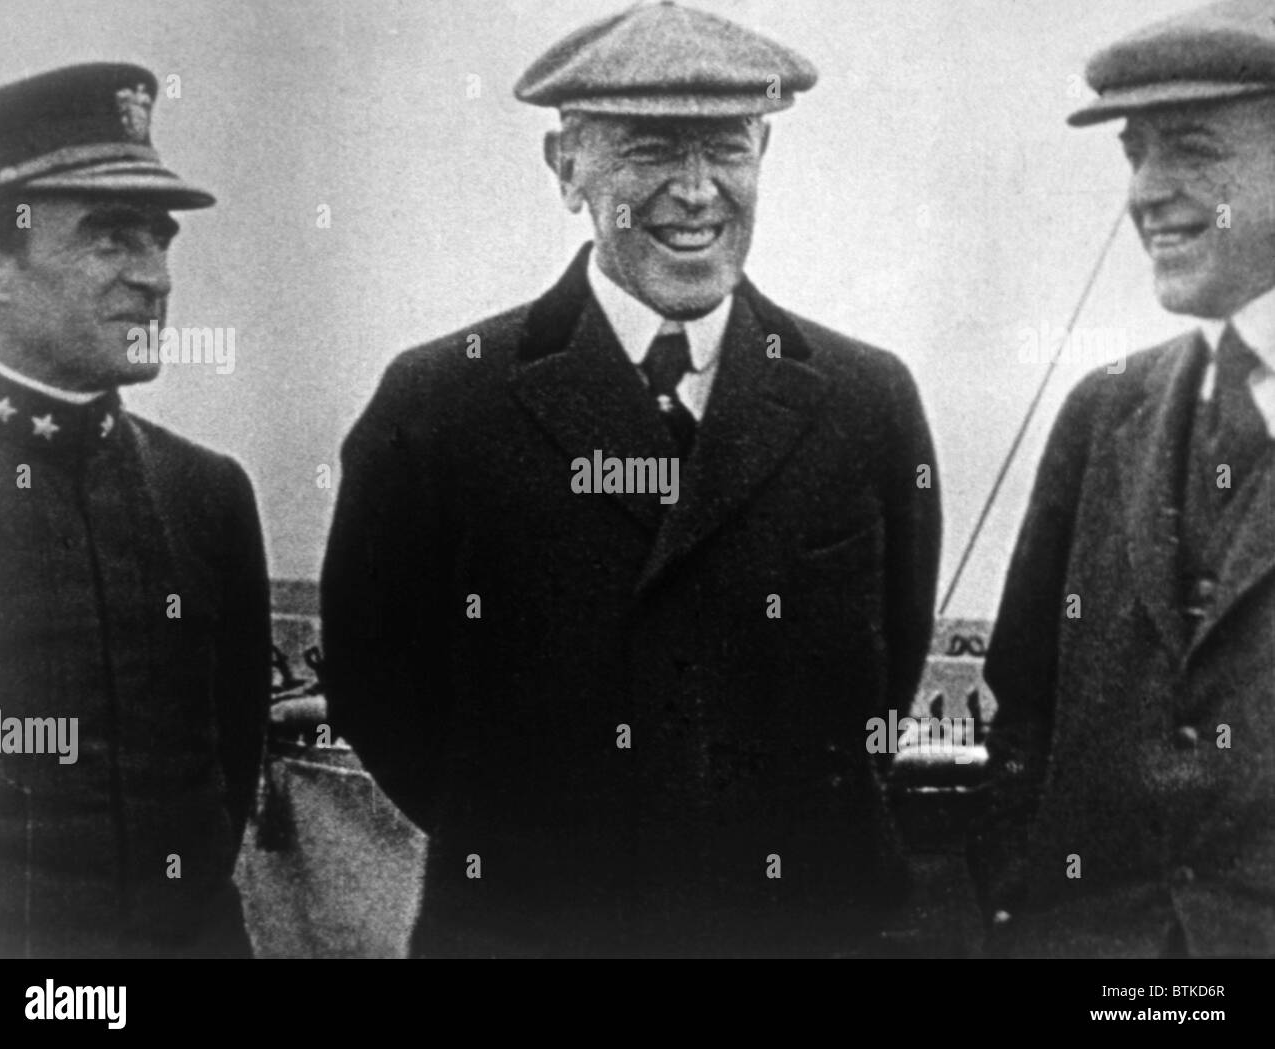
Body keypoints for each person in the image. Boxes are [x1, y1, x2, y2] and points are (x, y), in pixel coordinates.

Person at [322, 1, 941, 958]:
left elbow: (889, 672)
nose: (697, 192)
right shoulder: (441, 403)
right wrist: (537, 850)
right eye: (652, 149)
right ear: (566, 167)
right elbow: (377, 687)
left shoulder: (867, 403)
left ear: (764, 151)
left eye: (726, 149)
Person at [975, 0, 1275, 957]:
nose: (1148, 191)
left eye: (1191, 146)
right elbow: (1022, 710)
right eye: (1135, 152)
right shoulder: (1102, 415)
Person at [0, 63, 271, 957]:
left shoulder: (205, 494)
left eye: (160, 242)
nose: (155, 279)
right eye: (111, 241)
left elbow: (231, 758)